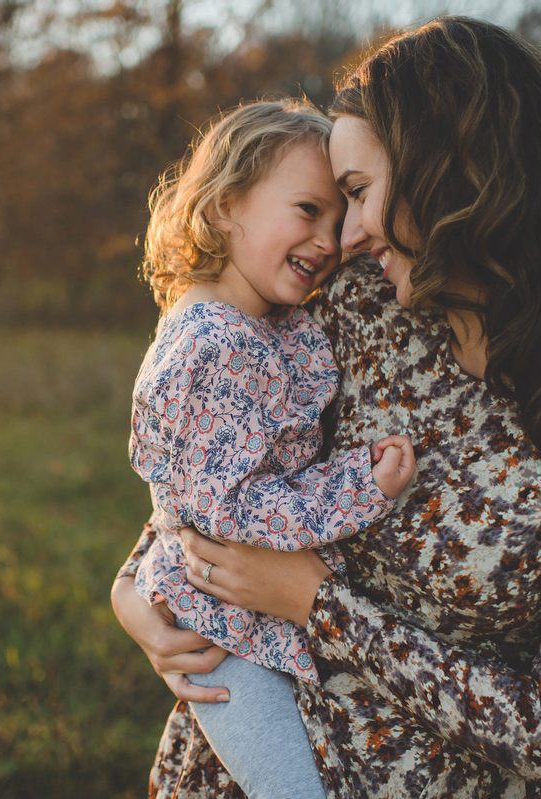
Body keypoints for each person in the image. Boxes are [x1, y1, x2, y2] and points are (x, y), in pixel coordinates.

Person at [111, 16, 541, 799]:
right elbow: (221, 465)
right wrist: (133, 590)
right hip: (228, 767)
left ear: (461, 176)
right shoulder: (358, 311)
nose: (347, 237)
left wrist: (317, 604)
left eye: (359, 195)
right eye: (332, 204)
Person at [129, 99, 416, 799]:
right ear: (227, 206)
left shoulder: (260, 321)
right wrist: (361, 485)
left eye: (338, 213)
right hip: (224, 639)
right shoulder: (212, 346)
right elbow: (233, 510)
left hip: (240, 615)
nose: (331, 237)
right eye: (308, 210)